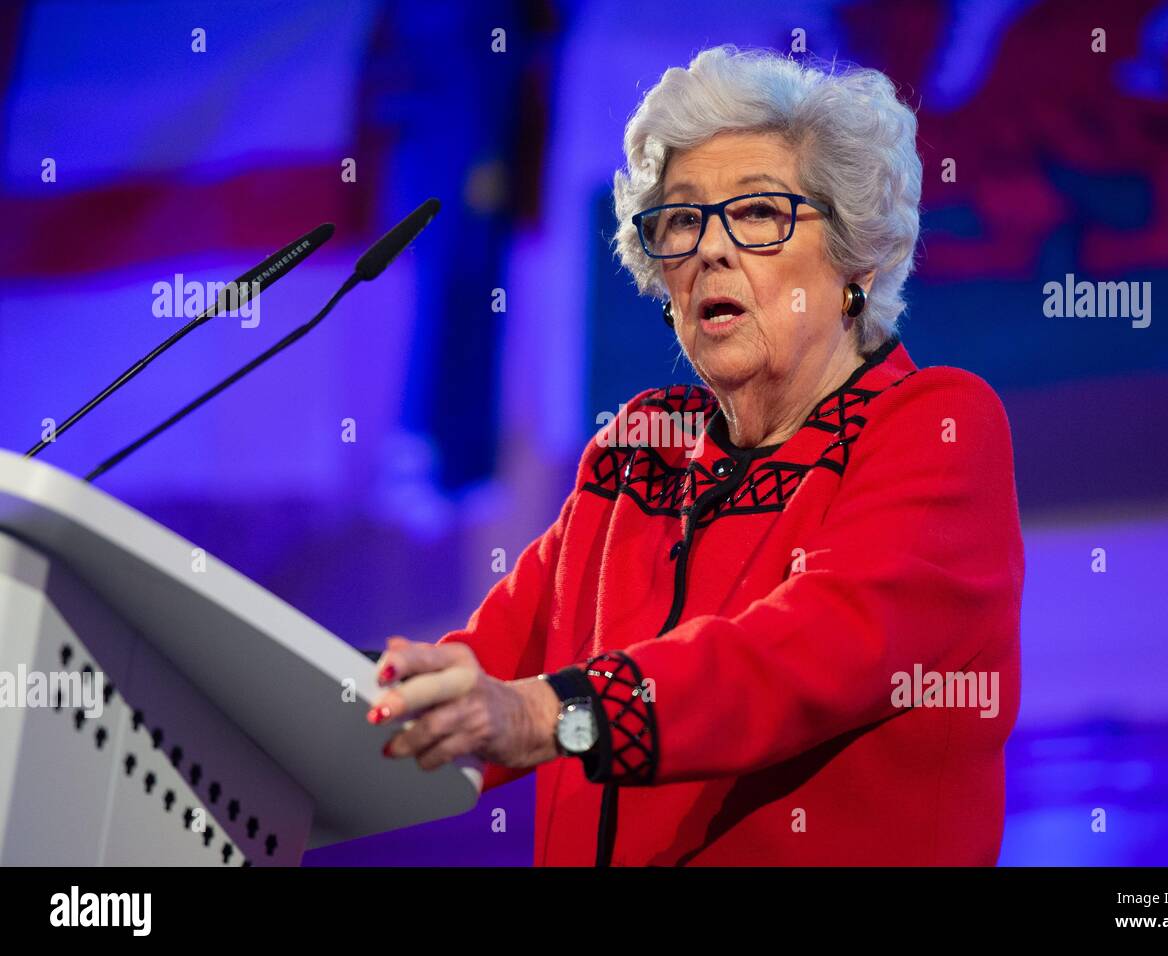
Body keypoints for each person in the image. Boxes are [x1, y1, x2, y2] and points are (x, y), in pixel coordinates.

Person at [366, 44, 1024, 866]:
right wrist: (315, 704)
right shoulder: (640, 451)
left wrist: (551, 716)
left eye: (756, 213)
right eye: (681, 220)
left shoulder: (933, 426)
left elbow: (799, 658)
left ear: (858, 255)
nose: (709, 249)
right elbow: (482, 670)